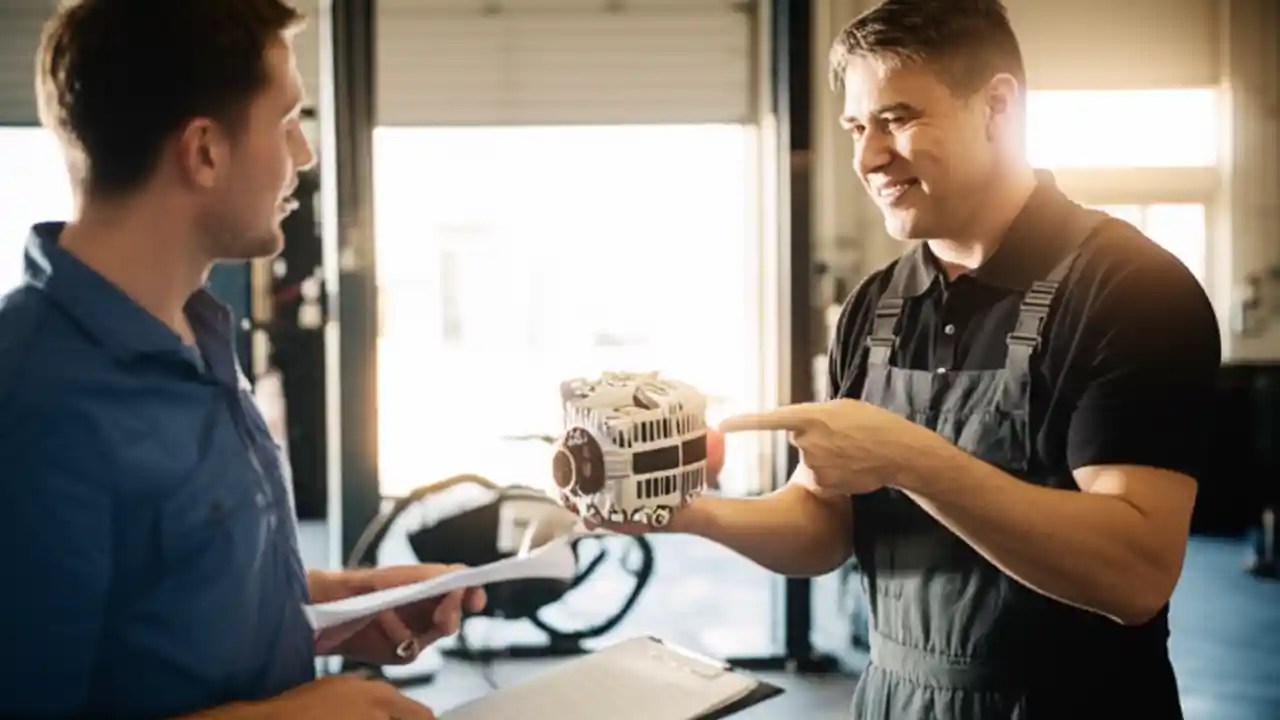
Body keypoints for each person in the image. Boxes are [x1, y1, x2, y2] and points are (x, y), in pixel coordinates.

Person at [604, 1, 1221, 718]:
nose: (868, 158)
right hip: (899, 700)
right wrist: (684, 515)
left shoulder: (1129, 289)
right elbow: (823, 521)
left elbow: (1136, 575)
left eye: (897, 119)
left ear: (996, 106)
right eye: (857, 128)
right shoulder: (877, 306)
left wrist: (910, 459)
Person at [0, 1, 485, 718]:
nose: (305, 154)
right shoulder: (33, 403)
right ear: (204, 150)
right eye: (288, 120)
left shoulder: (196, 336)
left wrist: (328, 605)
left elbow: (158, 607)